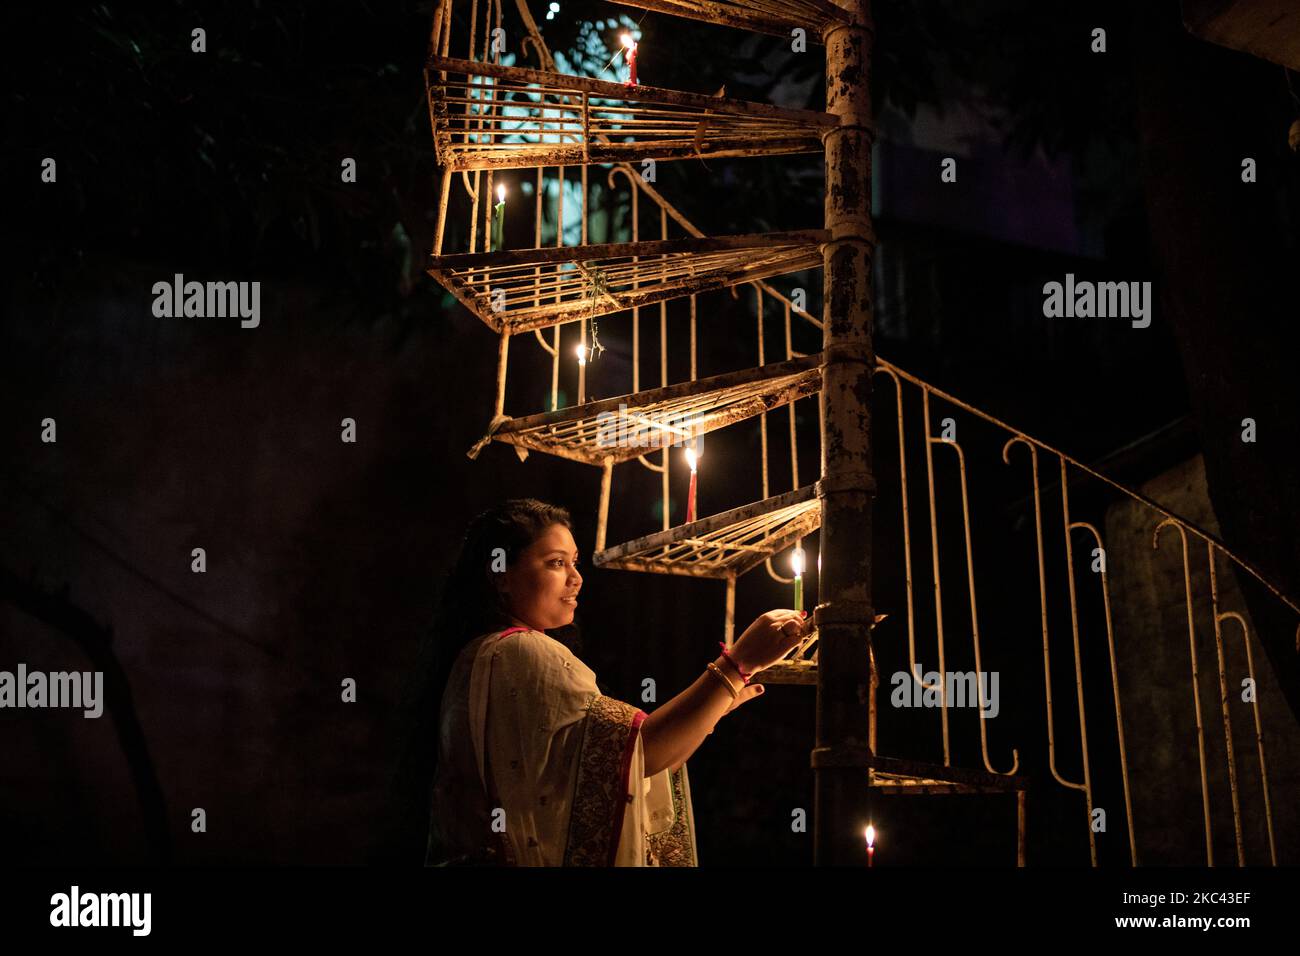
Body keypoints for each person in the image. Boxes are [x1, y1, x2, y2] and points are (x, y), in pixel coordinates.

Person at [418, 497, 809, 866]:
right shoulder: (520, 652)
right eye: (556, 563)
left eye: (574, 562)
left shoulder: (481, 655)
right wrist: (737, 664)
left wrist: (717, 702)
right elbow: (638, 754)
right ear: (501, 575)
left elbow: (618, 763)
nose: (576, 579)